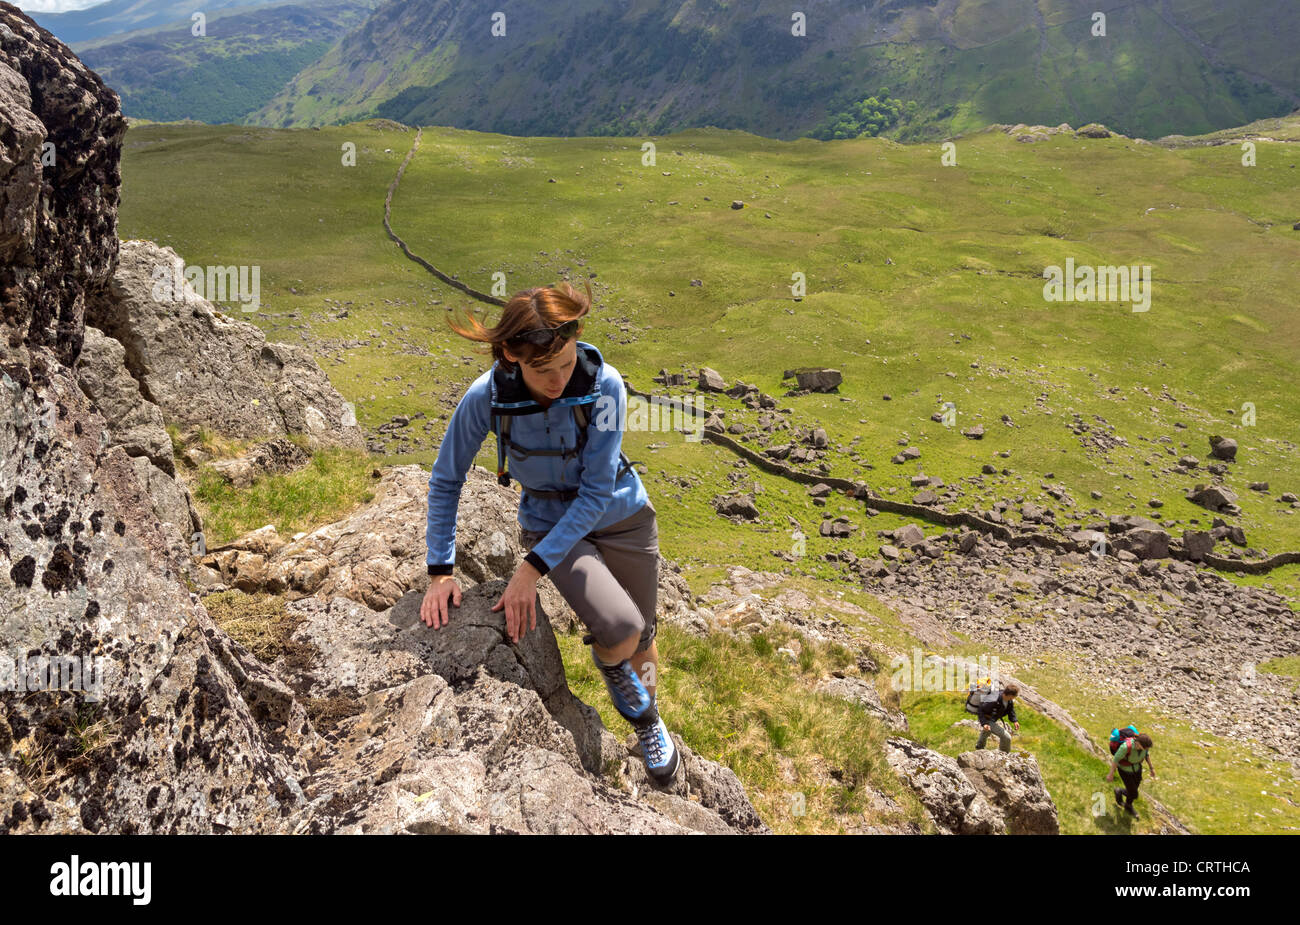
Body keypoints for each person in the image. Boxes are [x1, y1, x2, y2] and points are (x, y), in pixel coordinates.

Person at [420, 280, 679, 783]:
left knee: (643, 636)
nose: (559, 378)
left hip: (623, 515)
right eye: (543, 369)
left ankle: (648, 718)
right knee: (620, 628)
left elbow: (597, 491)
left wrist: (528, 573)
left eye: (566, 362)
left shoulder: (604, 386)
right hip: (552, 527)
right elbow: (446, 478)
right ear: (512, 355)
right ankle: (622, 683)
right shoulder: (486, 399)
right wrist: (439, 569)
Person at [1106, 732, 1155, 818]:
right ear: (1139, 744)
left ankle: (1128, 805)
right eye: (1145, 748)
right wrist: (1111, 774)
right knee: (1134, 793)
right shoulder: (1126, 747)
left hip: (1137, 769)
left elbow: (1146, 755)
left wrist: (1151, 768)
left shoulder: (1144, 747)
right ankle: (1120, 792)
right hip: (1125, 771)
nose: (1146, 749)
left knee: (1134, 790)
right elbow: (1116, 759)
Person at [976, 682, 1020, 751]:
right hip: (986, 719)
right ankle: (1003, 754)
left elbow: (1010, 710)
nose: (1014, 698)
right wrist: (984, 723)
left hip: (993, 719)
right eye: (1014, 696)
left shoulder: (1009, 700)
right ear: (1010, 695)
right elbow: (980, 710)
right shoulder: (993, 699)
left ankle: (979, 747)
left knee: (987, 731)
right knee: (1006, 737)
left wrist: (1015, 720)